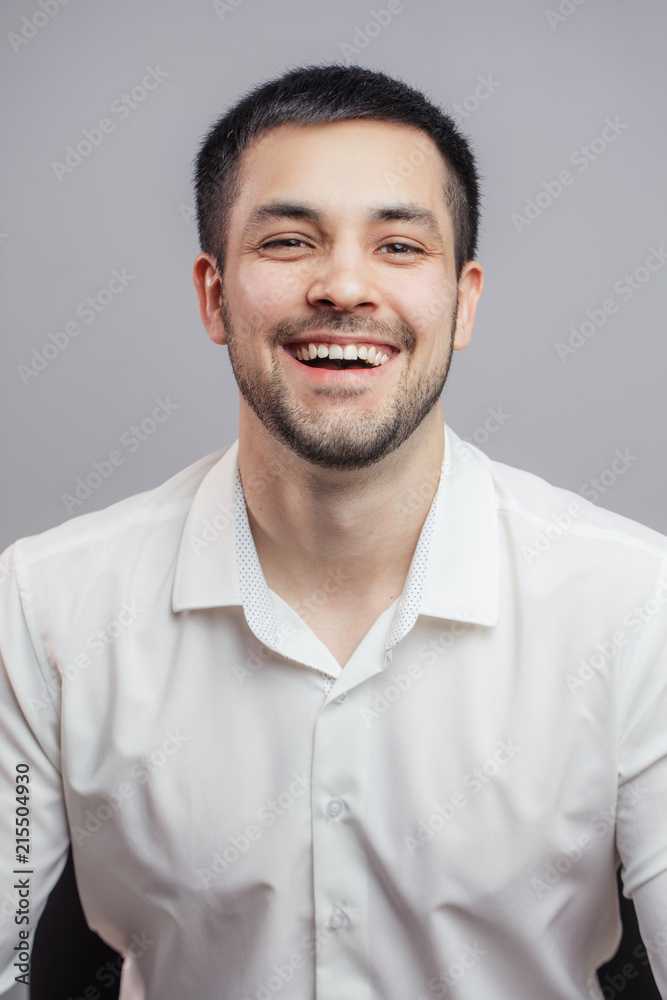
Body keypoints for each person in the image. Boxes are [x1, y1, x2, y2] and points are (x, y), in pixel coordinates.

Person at [1, 63, 665, 1000]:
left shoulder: (636, 606)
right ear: (214, 295)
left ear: (463, 301)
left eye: (399, 246)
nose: (343, 285)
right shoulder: (45, 606)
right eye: (286, 241)